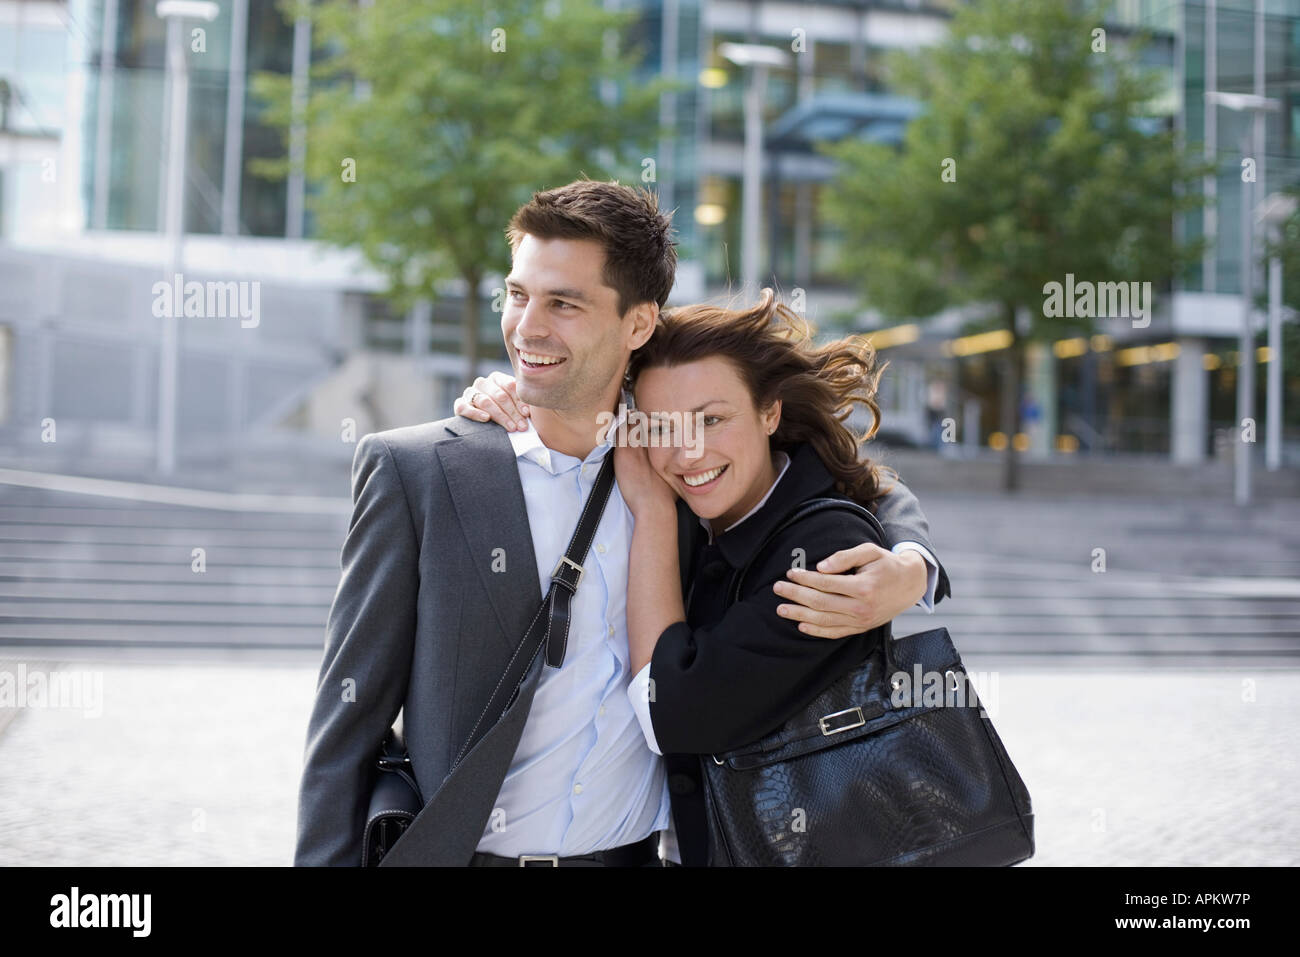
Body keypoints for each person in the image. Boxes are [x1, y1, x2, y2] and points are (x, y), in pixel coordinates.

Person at [294, 178, 950, 867]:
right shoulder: (420, 472)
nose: (529, 326)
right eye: (519, 295)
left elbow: (848, 481)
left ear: (638, 324)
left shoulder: (684, 470)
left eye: (564, 304)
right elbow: (347, 726)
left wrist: (911, 564)